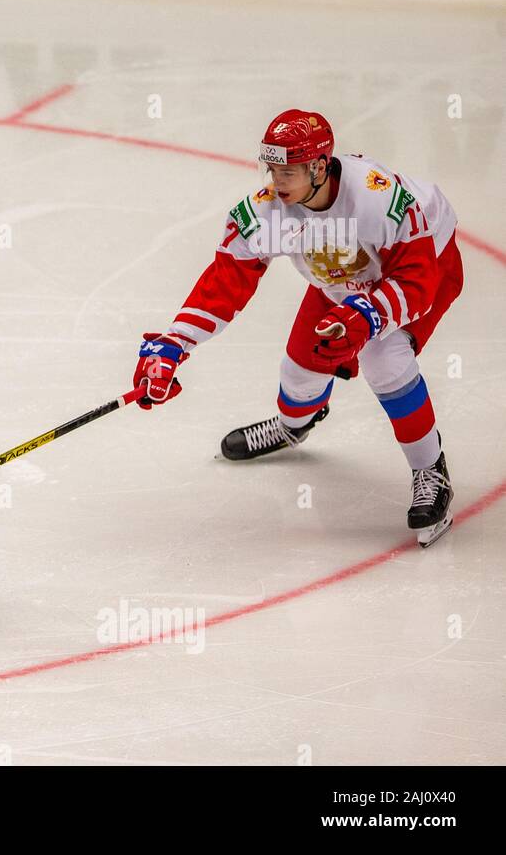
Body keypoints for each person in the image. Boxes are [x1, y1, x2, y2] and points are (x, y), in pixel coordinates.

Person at [132, 110, 462, 547]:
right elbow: (225, 282)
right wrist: (174, 344)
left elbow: (418, 281)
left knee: (383, 358)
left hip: (421, 267)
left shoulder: (376, 198)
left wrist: (368, 315)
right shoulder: (270, 209)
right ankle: (294, 424)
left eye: (287, 171)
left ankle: (430, 469)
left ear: (320, 166)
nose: (277, 181)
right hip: (344, 274)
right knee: (300, 366)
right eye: (272, 169)